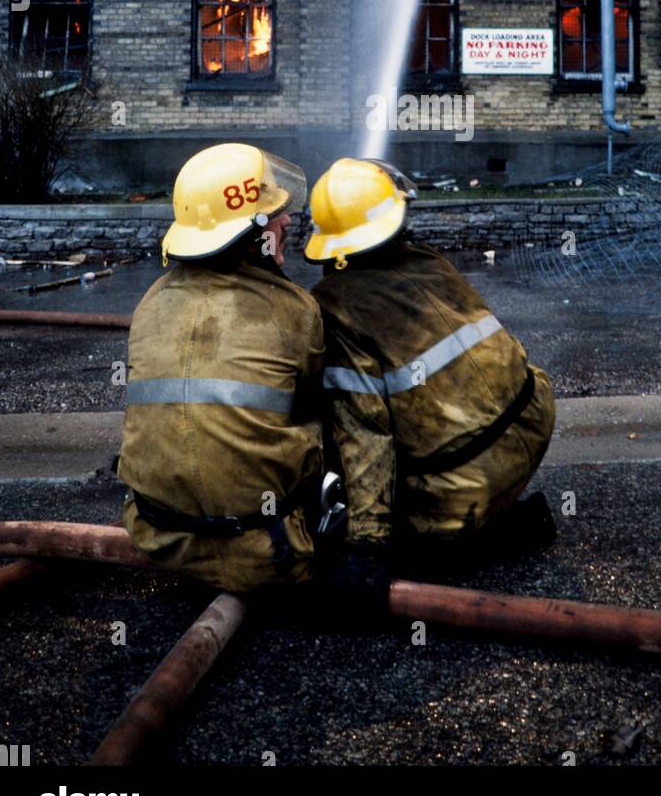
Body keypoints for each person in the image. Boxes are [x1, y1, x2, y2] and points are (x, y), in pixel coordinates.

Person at [305, 157, 556, 578]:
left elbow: (364, 433)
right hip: (530, 425)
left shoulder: (336, 310)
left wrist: (366, 547)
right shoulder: (429, 262)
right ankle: (495, 514)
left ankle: (465, 536)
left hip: (460, 484)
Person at [117, 143, 330, 593]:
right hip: (271, 549)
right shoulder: (296, 310)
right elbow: (314, 405)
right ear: (251, 236)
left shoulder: (149, 302)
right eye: (275, 214)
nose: (287, 221)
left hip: (159, 538)